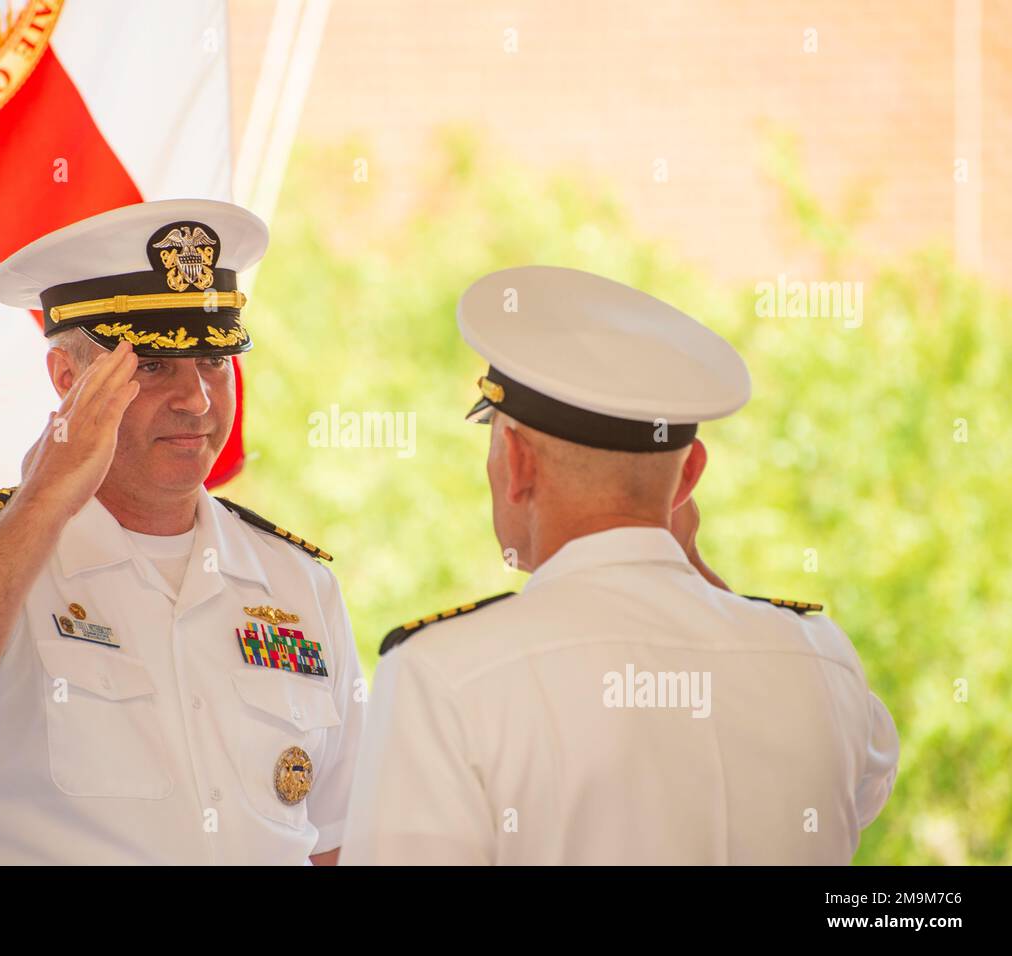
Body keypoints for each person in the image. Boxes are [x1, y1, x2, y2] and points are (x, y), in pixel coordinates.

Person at [0, 199, 364, 865]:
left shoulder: (298, 583)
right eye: (153, 365)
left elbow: (338, 841)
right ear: (66, 378)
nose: (196, 399)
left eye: (213, 360)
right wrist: (42, 502)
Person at [340, 266, 898, 865]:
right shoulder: (822, 663)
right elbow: (868, 784)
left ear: (518, 461)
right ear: (689, 475)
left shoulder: (442, 677)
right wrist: (692, 569)